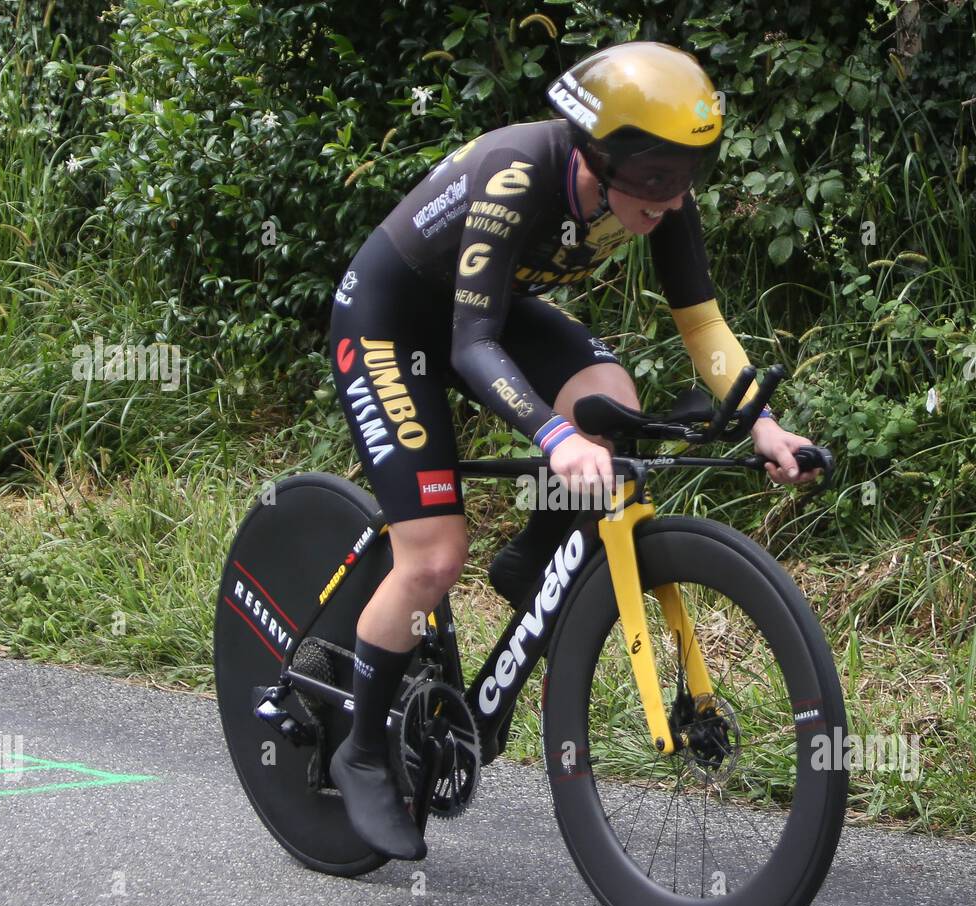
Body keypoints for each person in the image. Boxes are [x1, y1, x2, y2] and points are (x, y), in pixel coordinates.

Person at [326, 40, 821, 861]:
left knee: (614, 404)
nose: (669, 199)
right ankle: (362, 748)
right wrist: (552, 436)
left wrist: (764, 425)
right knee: (433, 557)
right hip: (391, 320)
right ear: (601, 151)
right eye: (655, 176)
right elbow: (472, 346)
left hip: (484, 311)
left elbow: (700, 323)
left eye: (685, 174)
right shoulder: (518, 172)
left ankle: (536, 556)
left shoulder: (661, 200)